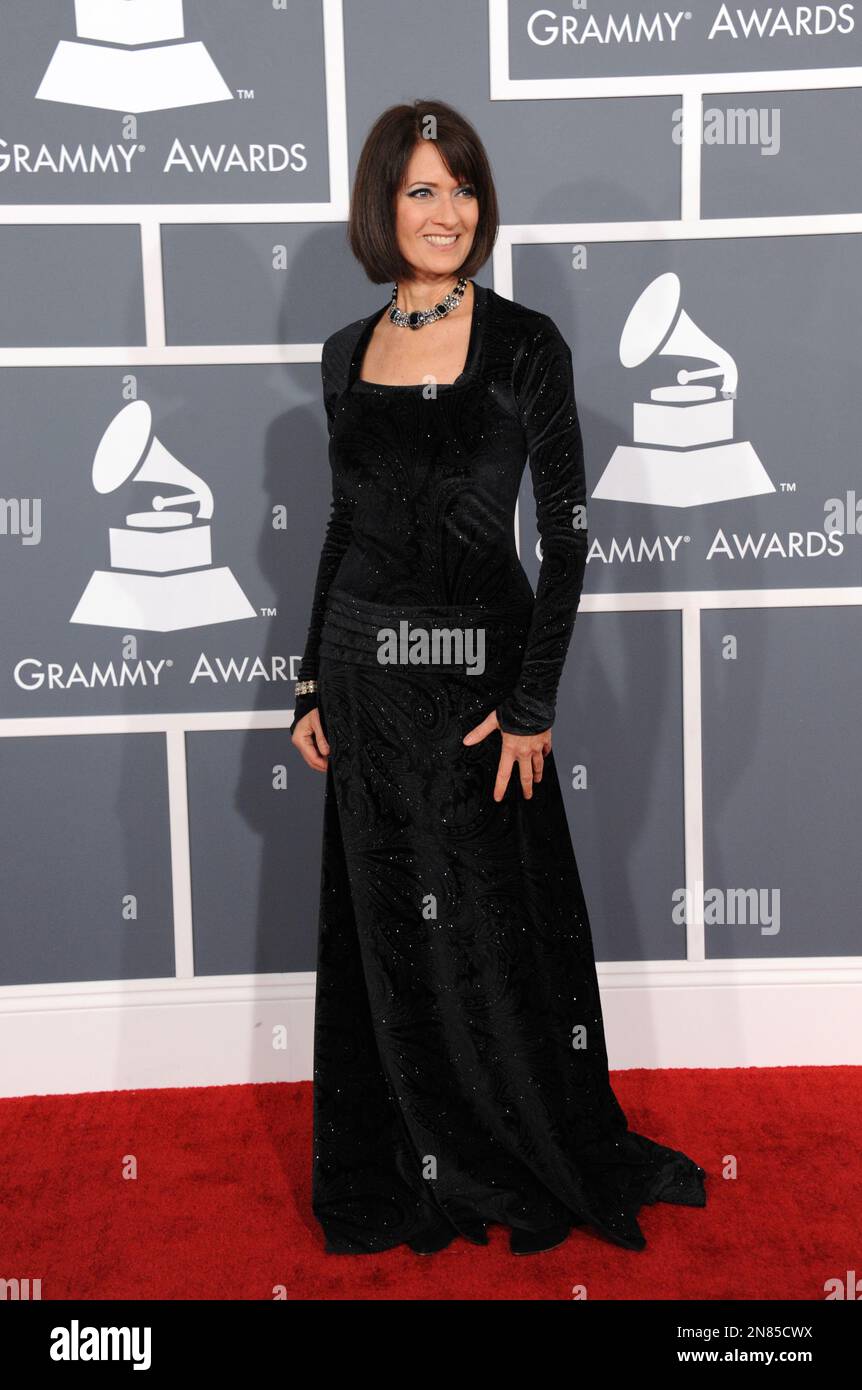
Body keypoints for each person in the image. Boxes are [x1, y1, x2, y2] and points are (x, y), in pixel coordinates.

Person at [289, 98, 707, 1256]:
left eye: (462, 188)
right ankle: (415, 1152)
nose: (447, 211)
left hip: (479, 686)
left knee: (492, 926)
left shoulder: (524, 343)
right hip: (364, 683)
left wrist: (530, 701)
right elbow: (343, 525)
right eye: (421, 189)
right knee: (388, 930)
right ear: (383, 206)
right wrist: (308, 681)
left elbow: (565, 536)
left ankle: (516, 1144)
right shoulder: (342, 354)